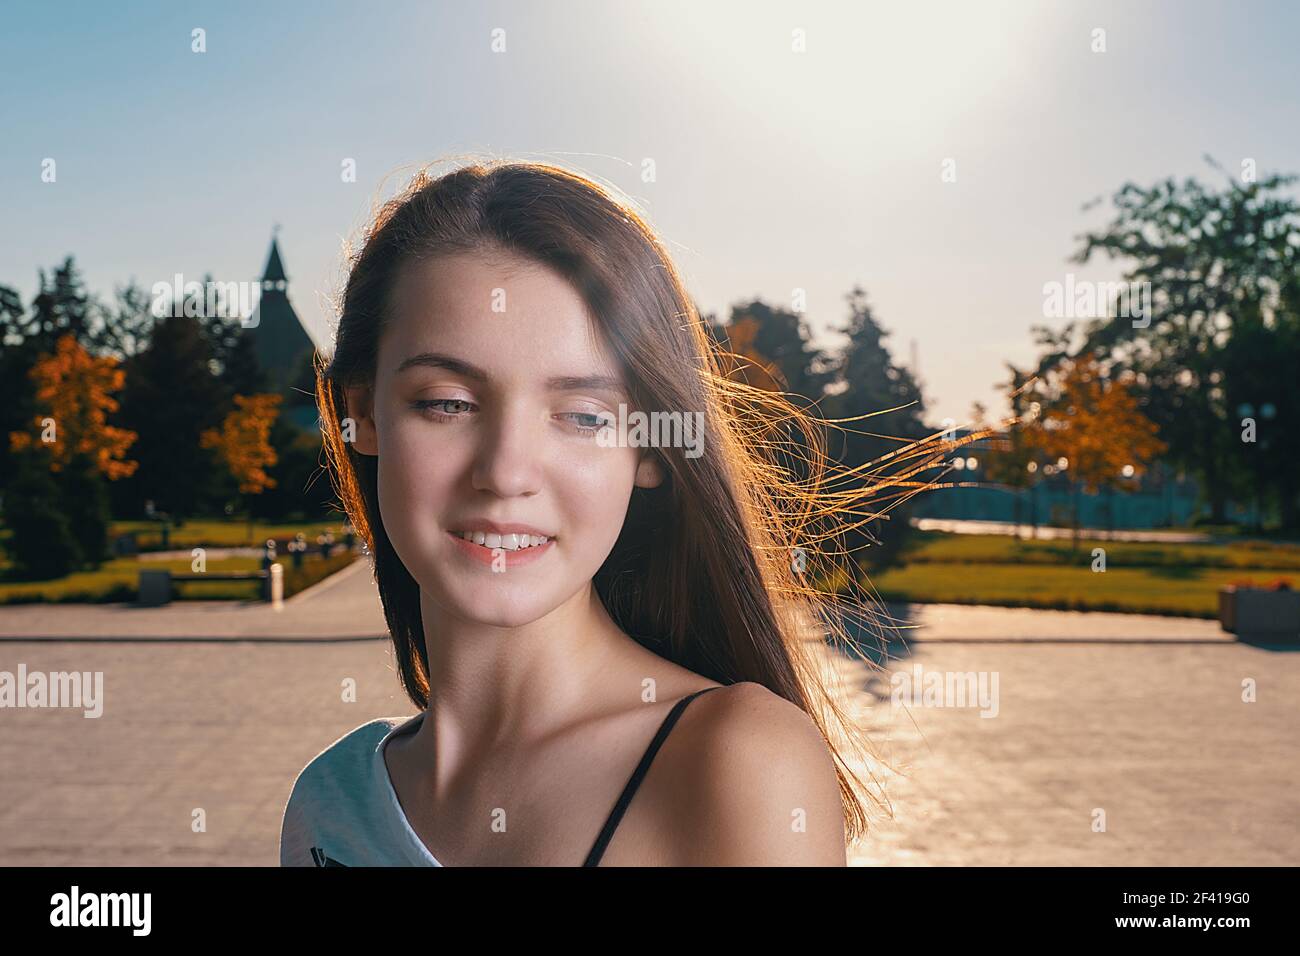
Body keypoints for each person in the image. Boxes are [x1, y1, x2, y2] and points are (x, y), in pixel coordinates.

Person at [280, 158, 897, 867]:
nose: (506, 471)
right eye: (447, 402)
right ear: (362, 413)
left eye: (580, 415)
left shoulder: (735, 762)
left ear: (652, 447)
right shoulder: (327, 804)